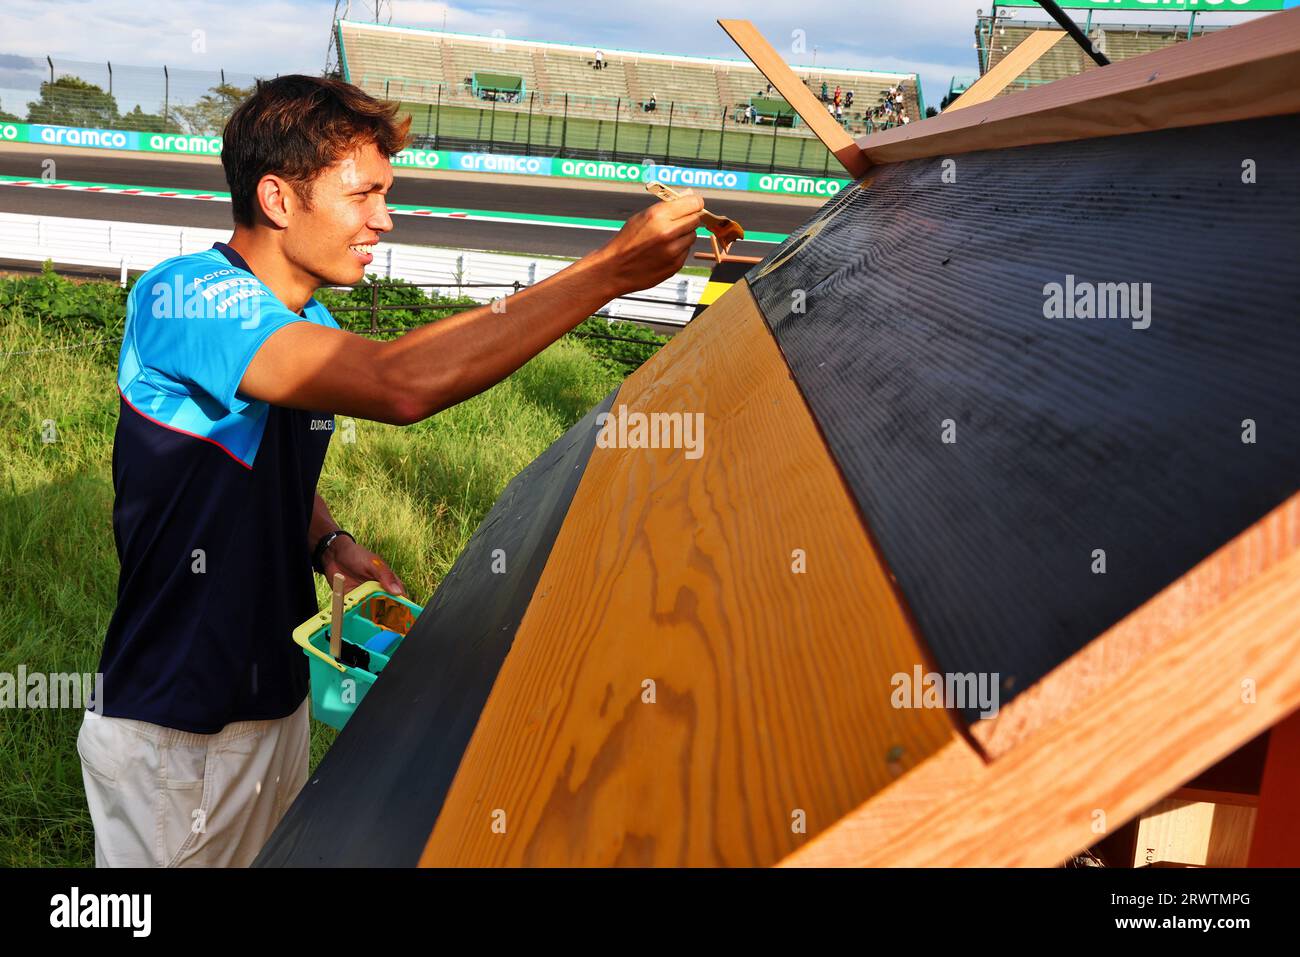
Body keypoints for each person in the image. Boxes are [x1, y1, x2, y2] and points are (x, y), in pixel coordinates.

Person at [76, 74, 703, 868]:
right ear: (278, 198)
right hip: (176, 728)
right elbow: (397, 385)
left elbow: (260, 449)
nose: (385, 218)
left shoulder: (308, 316)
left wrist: (327, 539)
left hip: (275, 703)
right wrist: (607, 272)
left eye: (387, 193)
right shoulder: (187, 298)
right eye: (363, 195)